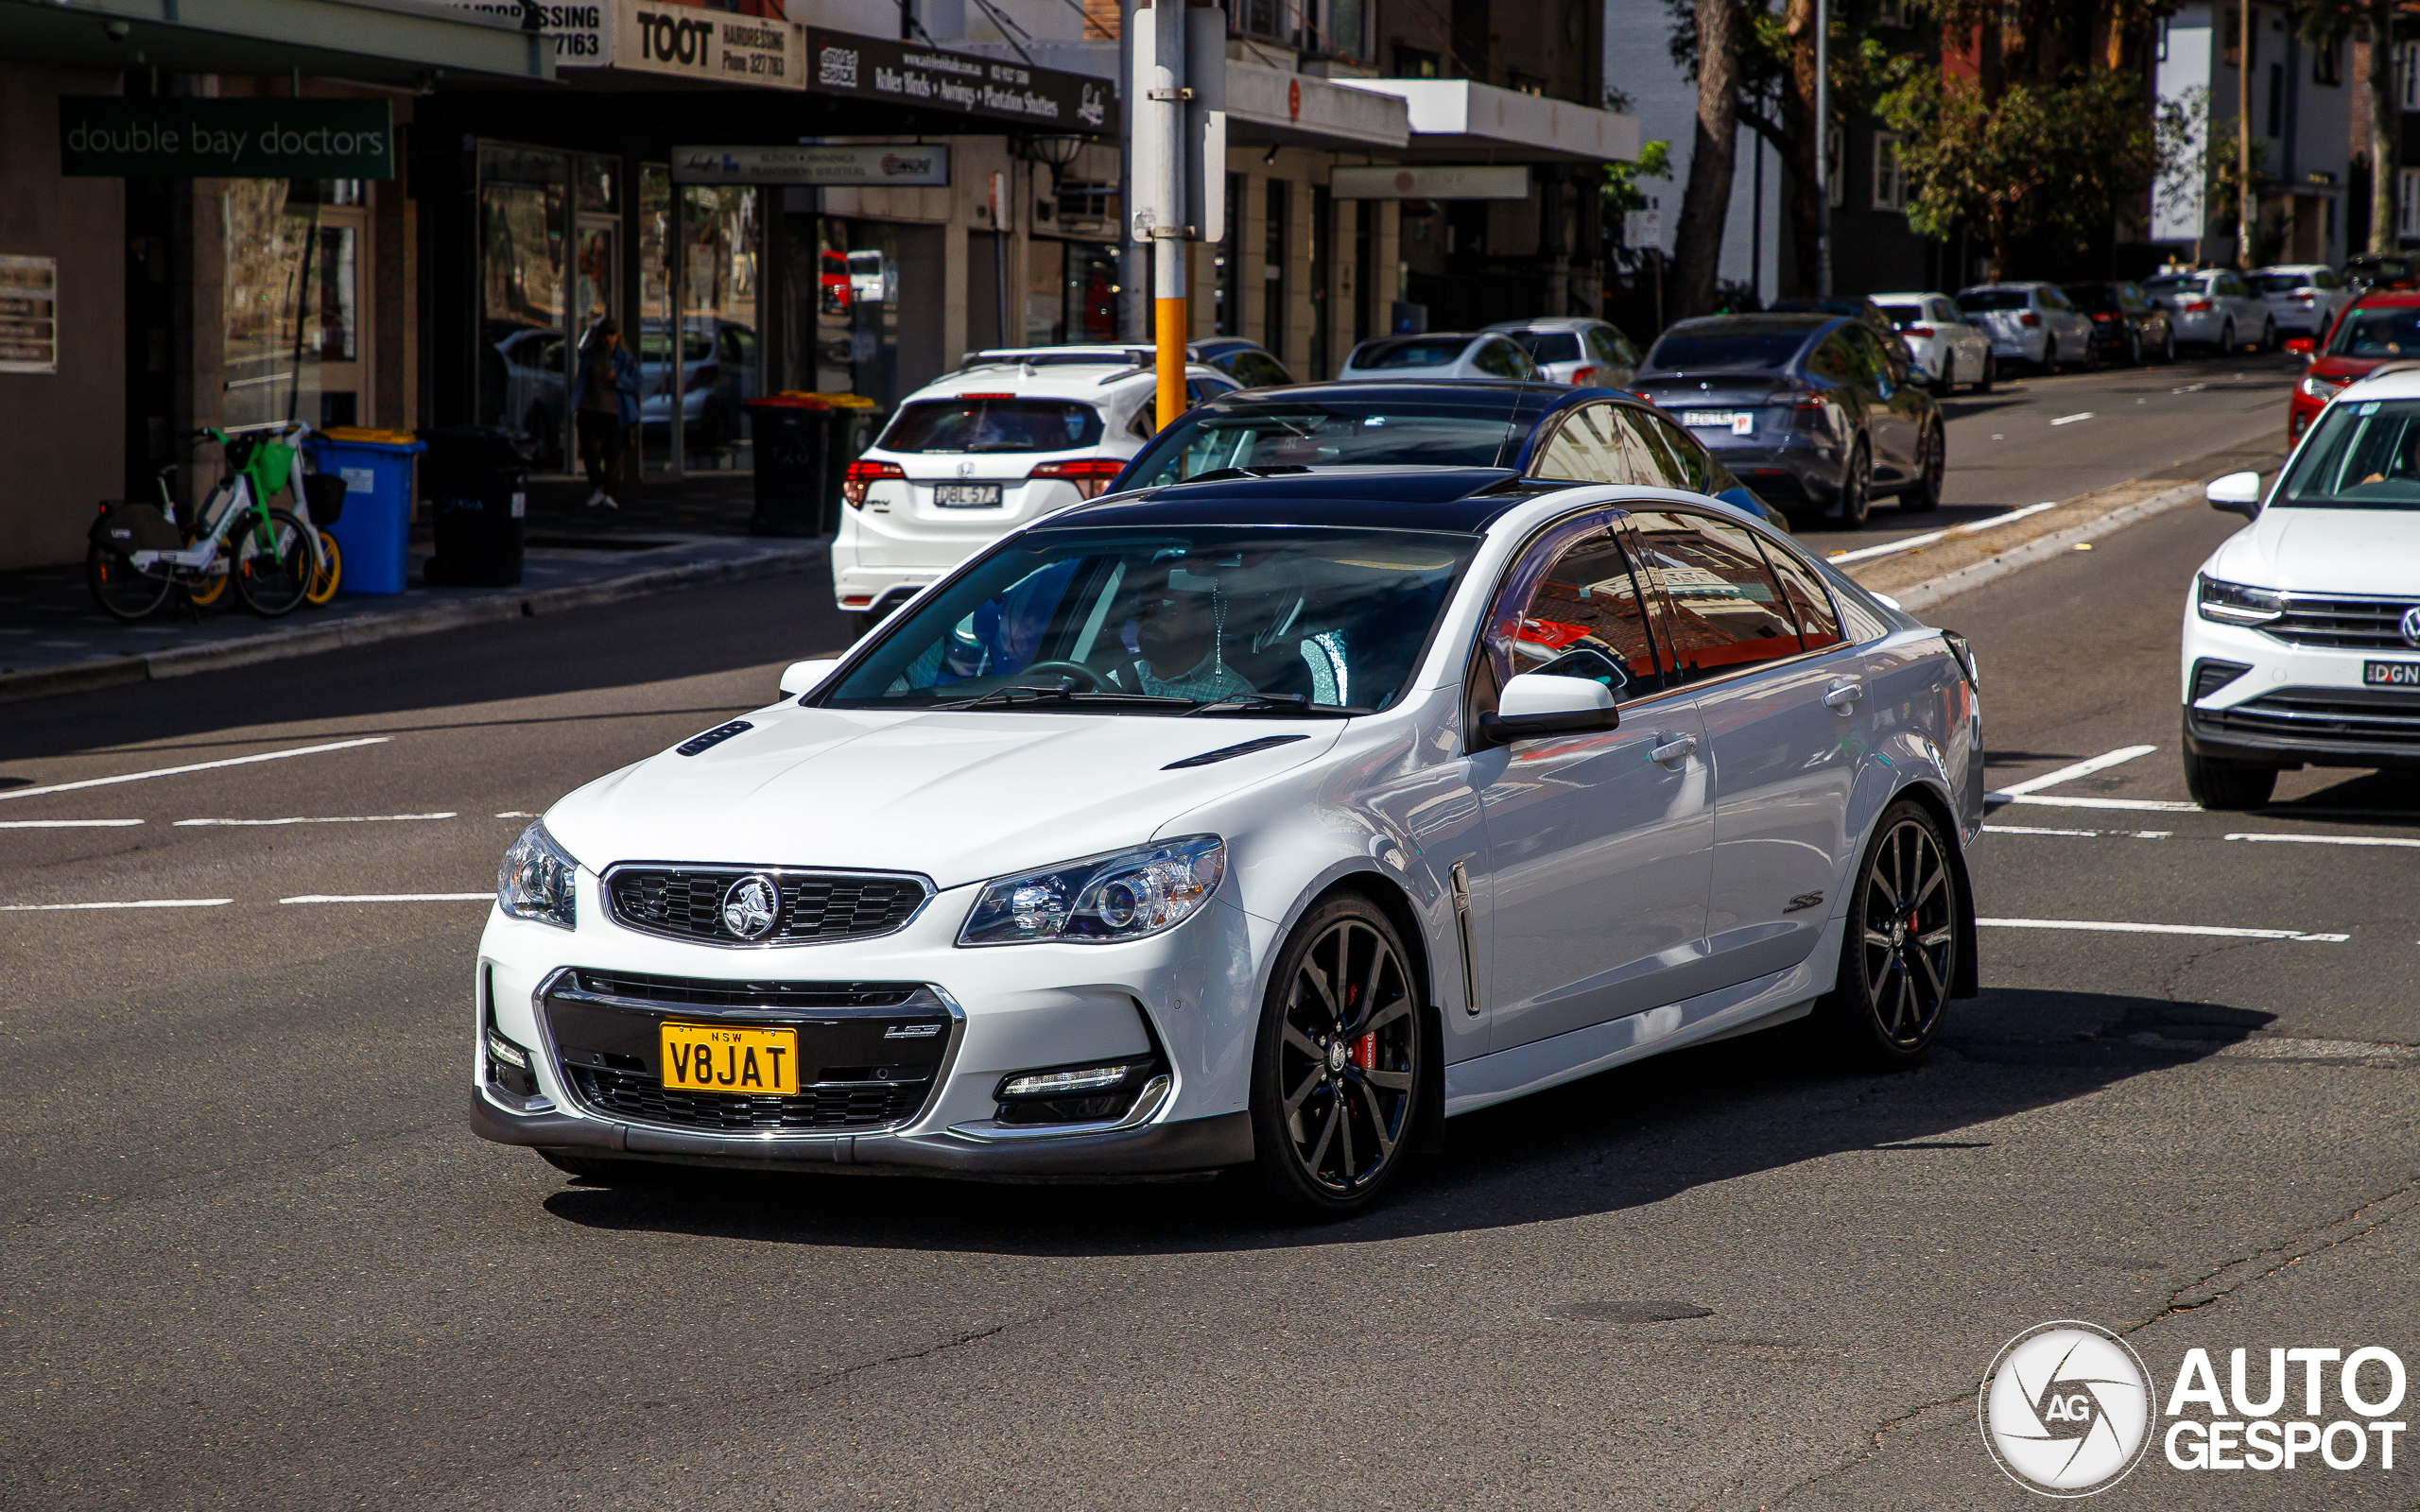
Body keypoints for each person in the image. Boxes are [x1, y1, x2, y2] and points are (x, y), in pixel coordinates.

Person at [568, 318, 639, 509]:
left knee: (613, 455)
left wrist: (618, 378)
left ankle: (607, 492)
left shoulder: (625, 358)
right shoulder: (591, 355)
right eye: (605, 334)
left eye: (612, 334)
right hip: (590, 409)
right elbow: (581, 380)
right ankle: (599, 486)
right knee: (589, 450)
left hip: (615, 413)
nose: (608, 338)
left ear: (618, 336)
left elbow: (636, 383)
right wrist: (573, 405)